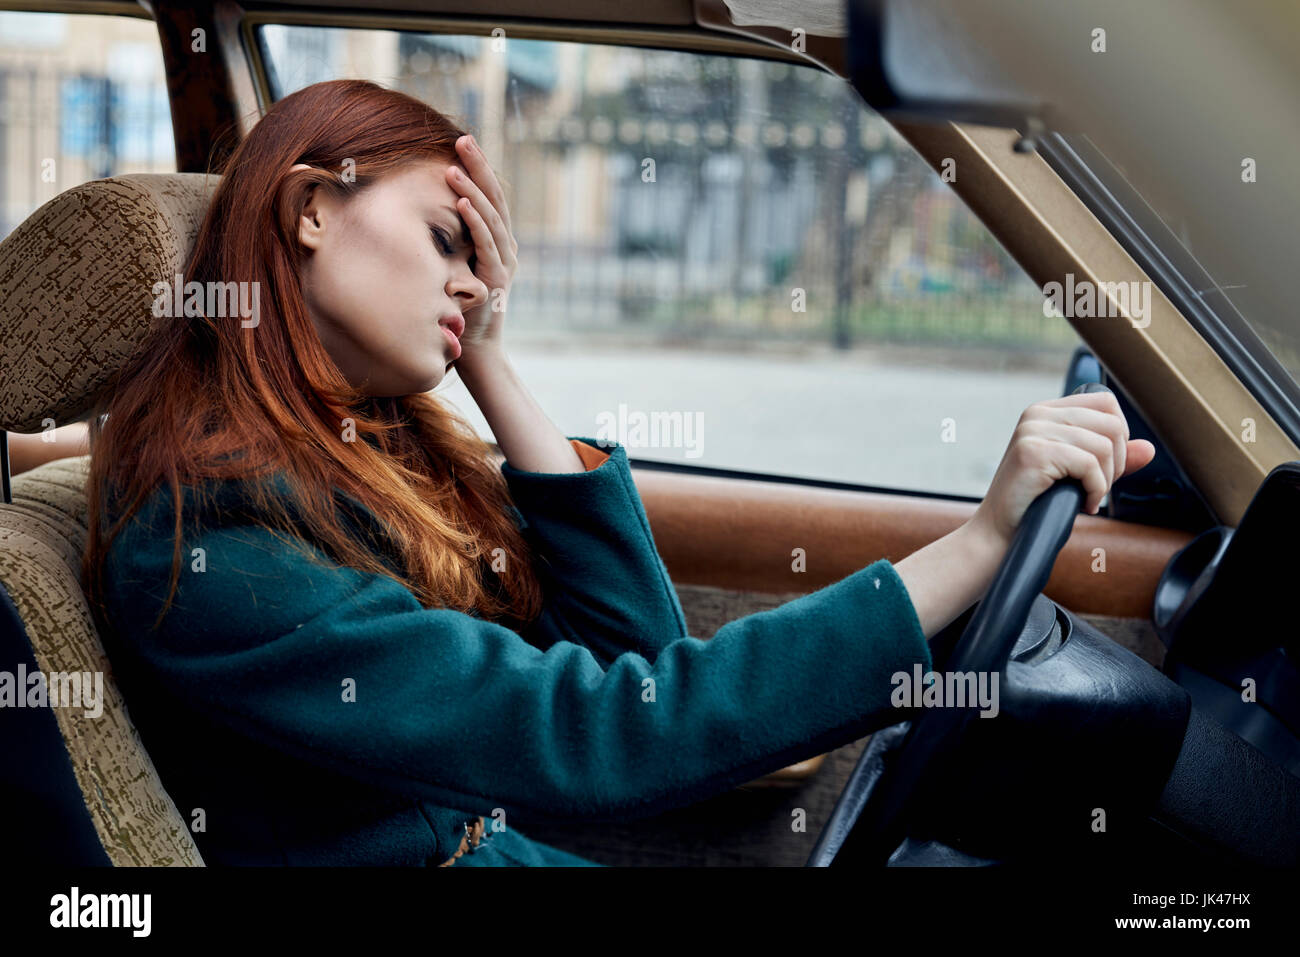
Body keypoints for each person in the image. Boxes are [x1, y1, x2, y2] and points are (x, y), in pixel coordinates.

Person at [80, 79, 1154, 867]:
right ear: (311, 209)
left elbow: (631, 651)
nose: (473, 281)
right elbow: (611, 729)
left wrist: (487, 357)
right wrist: (973, 549)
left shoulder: (361, 458)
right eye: (449, 238)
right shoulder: (211, 544)